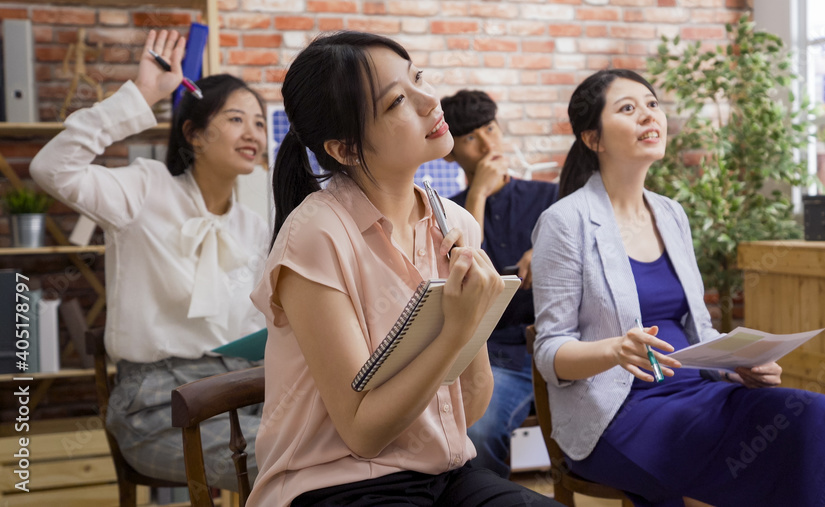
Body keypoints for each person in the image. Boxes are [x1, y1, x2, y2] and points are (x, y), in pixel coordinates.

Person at [531, 69, 825, 507]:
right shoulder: (565, 222)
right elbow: (549, 352)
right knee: (729, 454)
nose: (648, 116)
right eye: (628, 108)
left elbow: (700, 329)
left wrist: (737, 367)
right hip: (620, 414)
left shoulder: (671, 214)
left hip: (697, 390)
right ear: (593, 139)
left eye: (652, 104)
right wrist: (615, 350)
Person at [247, 31, 563, 507]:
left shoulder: (454, 223)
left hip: (443, 475)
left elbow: (472, 406)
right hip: (333, 484)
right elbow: (362, 435)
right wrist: (455, 330)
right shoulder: (316, 234)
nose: (429, 99)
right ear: (345, 149)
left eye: (418, 77)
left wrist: (474, 319)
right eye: (397, 100)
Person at [30, 29, 268, 488]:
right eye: (236, 119)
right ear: (193, 133)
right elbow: (50, 168)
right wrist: (141, 94)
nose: (253, 133)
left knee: (337, 444)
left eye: (259, 123)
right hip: (158, 406)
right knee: (288, 459)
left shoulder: (255, 227)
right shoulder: (144, 188)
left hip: (245, 394)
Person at [440, 90, 558, 478]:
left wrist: (547, 255)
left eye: (491, 128)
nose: (489, 143)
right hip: (486, 355)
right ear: (449, 152)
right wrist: (476, 196)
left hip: (552, 345)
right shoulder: (443, 213)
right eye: (472, 137)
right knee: (479, 430)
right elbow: (464, 280)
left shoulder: (549, 197)